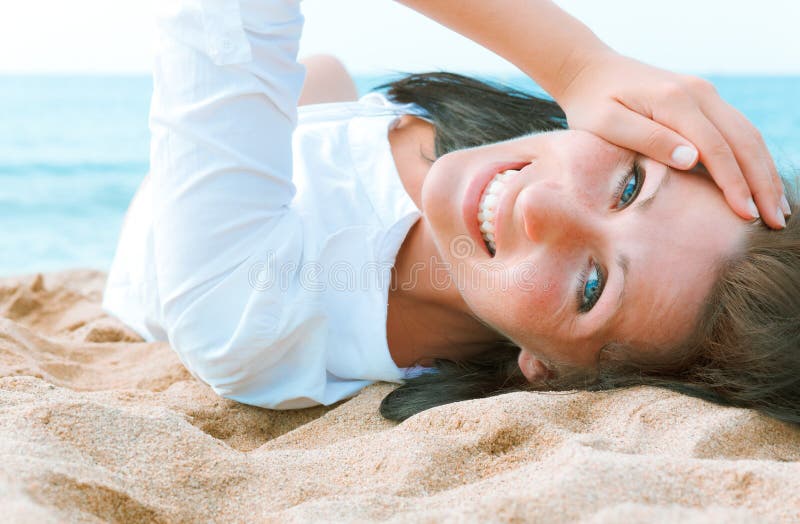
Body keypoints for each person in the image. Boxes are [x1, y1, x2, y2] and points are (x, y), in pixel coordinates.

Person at [103, 0, 799, 424]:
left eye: (593, 286)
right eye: (628, 185)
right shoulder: (477, 144)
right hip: (314, 120)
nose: (543, 205)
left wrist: (579, 62)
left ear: (547, 371)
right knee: (321, 70)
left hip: (171, 229)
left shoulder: (251, 317)